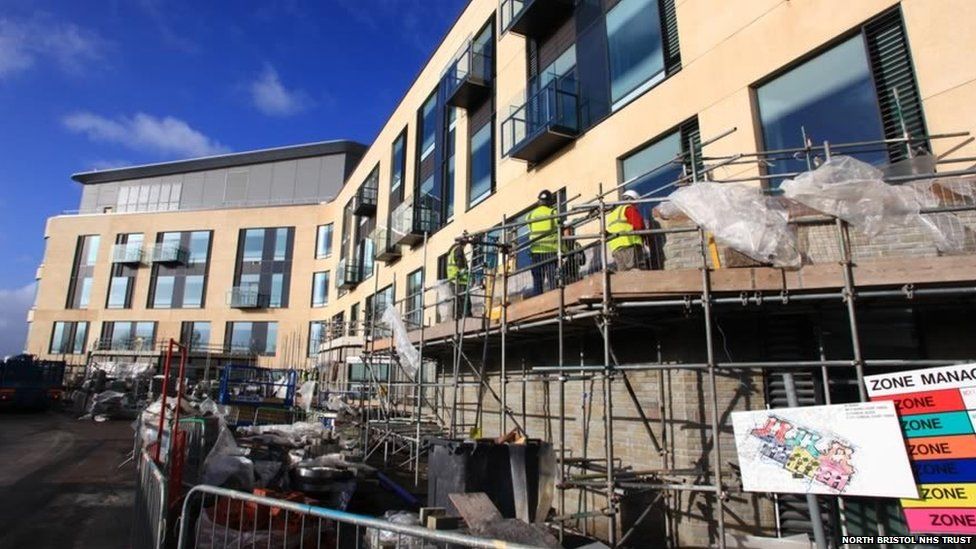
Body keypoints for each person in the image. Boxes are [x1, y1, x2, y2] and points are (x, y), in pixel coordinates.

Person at [526, 190, 559, 295]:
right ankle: (555, 298)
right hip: (550, 250)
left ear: (539, 201)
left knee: (537, 279)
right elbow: (558, 228)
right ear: (549, 201)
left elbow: (530, 229)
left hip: (536, 251)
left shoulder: (530, 215)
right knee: (552, 278)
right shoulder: (553, 212)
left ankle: (538, 300)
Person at [607, 190, 647, 271]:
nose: (636, 206)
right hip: (629, 245)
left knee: (623, 274)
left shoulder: (613, 214)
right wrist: (645, 237)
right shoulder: (629, 208)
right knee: (635, 270)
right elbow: (638, 225)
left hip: (616, 248)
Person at [446, 240, 471, 319]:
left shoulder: (452, 251)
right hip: (460, 280)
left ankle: (457, 318)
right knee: (464, 300)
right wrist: (463, 269)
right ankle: (467, 317)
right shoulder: (458, 249)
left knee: (457, 301)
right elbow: (459, 262)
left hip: (454, 280)